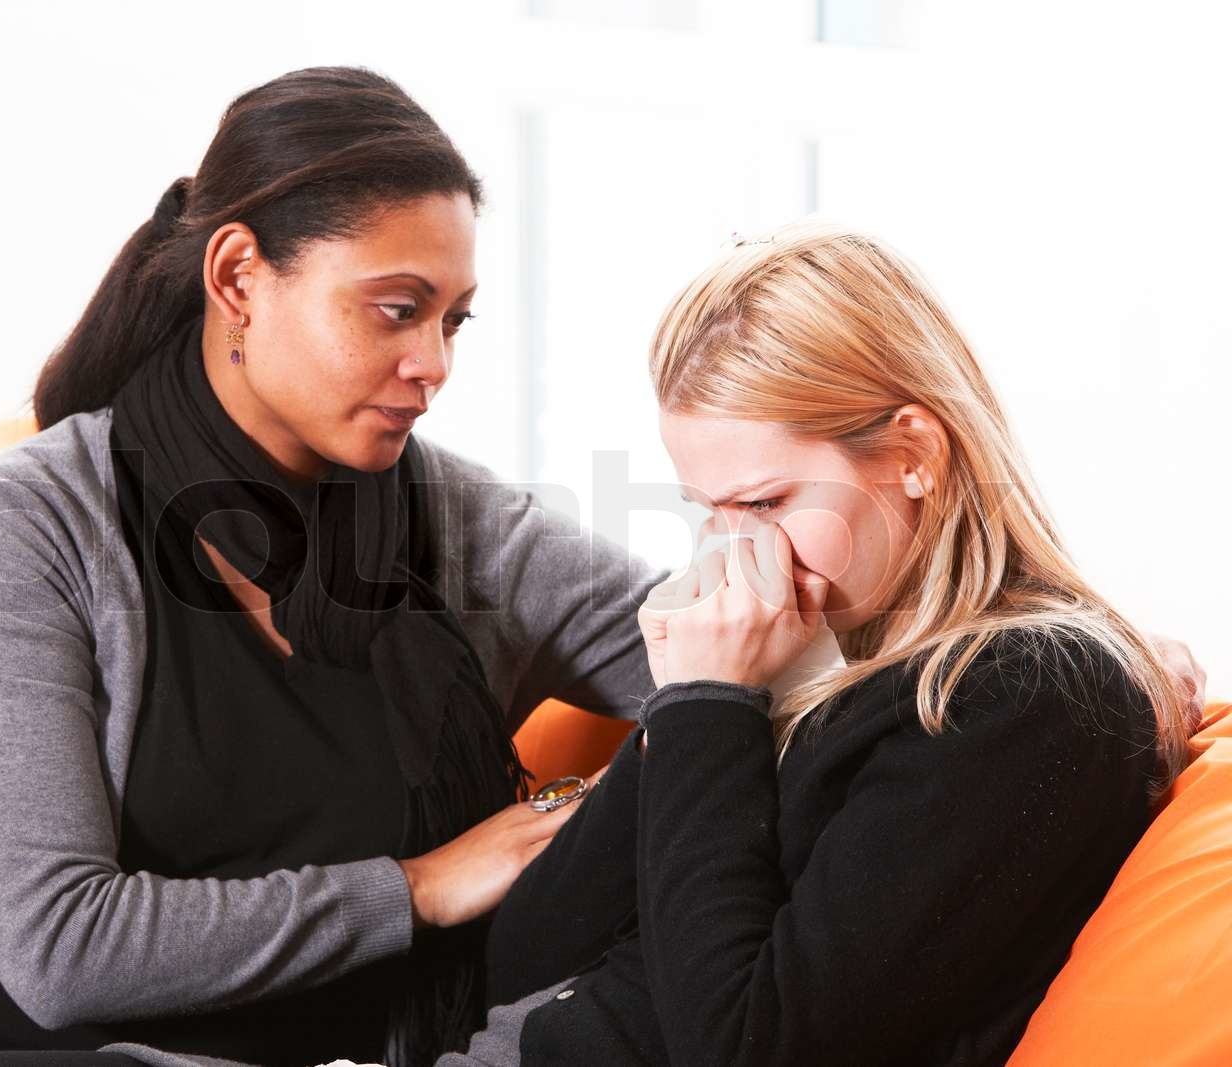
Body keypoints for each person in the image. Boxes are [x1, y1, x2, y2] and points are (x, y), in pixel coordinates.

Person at [0, 67, 665, 1067]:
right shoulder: (31, 516)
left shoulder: (464, 527)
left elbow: (739, 659)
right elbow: (61, 948)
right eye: (396, 308)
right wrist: (422, 884)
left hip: (230, 1035)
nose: (435, 363)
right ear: (236, 278)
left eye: (453, 319)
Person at [436, 222, 1206, 1066]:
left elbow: (746, 1047)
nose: (735, 554)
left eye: (764, 504)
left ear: (914, 454)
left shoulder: (1022, 698)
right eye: (710, 510)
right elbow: (526, 957)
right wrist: (678, 721)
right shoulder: (824, 659)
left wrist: (708, 711)